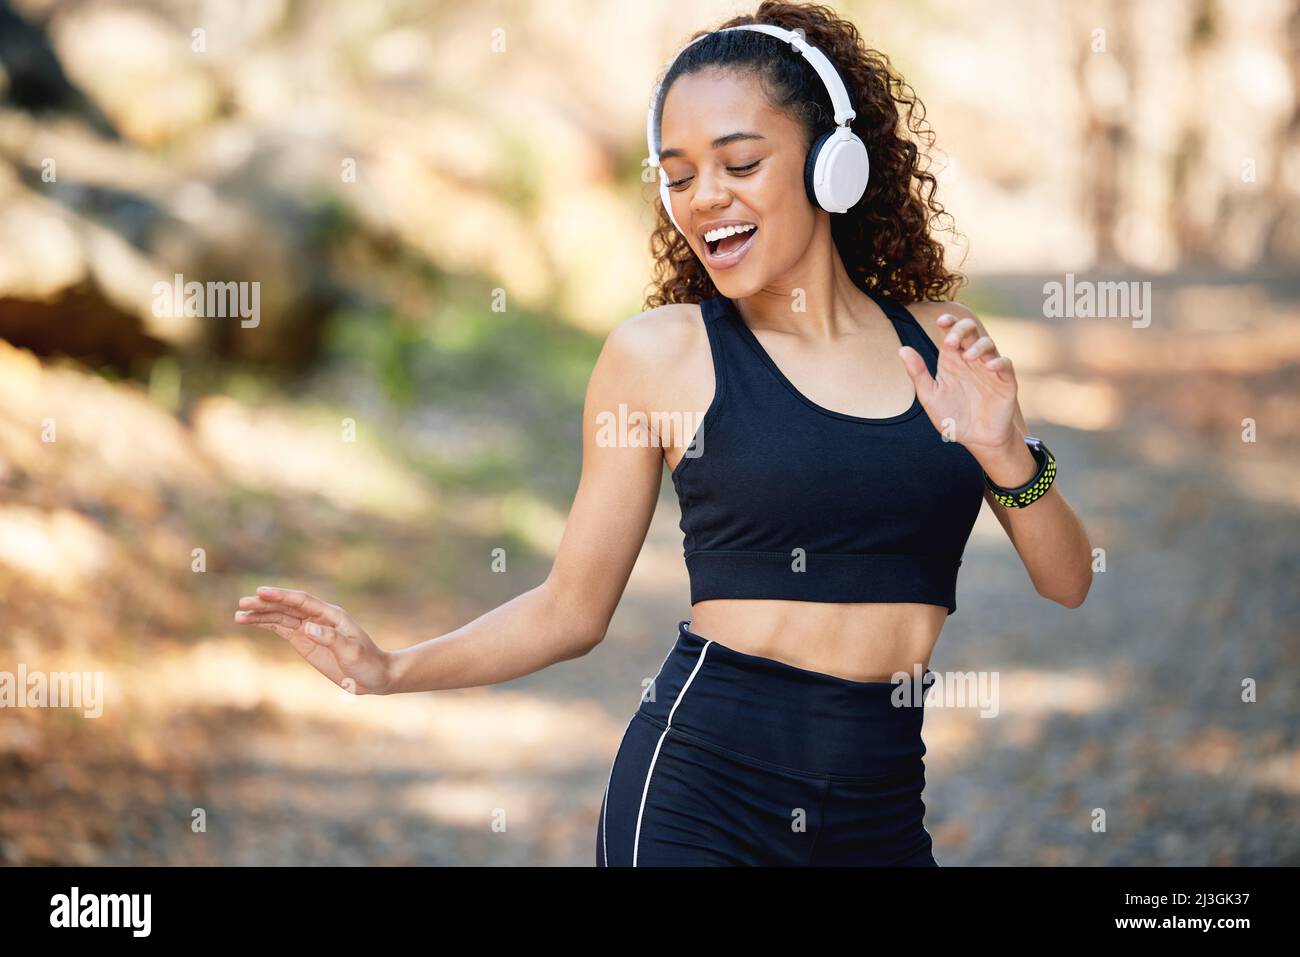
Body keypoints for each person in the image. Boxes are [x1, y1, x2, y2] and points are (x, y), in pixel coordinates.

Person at [234, 0, 1093, 867]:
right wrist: (389, 667)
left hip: (878, 816)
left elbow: (1068, 583)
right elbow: (571, 609)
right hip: (697, 802)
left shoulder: (942, 342)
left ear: (832, 163)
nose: (705, 197)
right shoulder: (662, 356)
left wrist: (1005, 451)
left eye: (741, 162)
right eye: (678, 176)